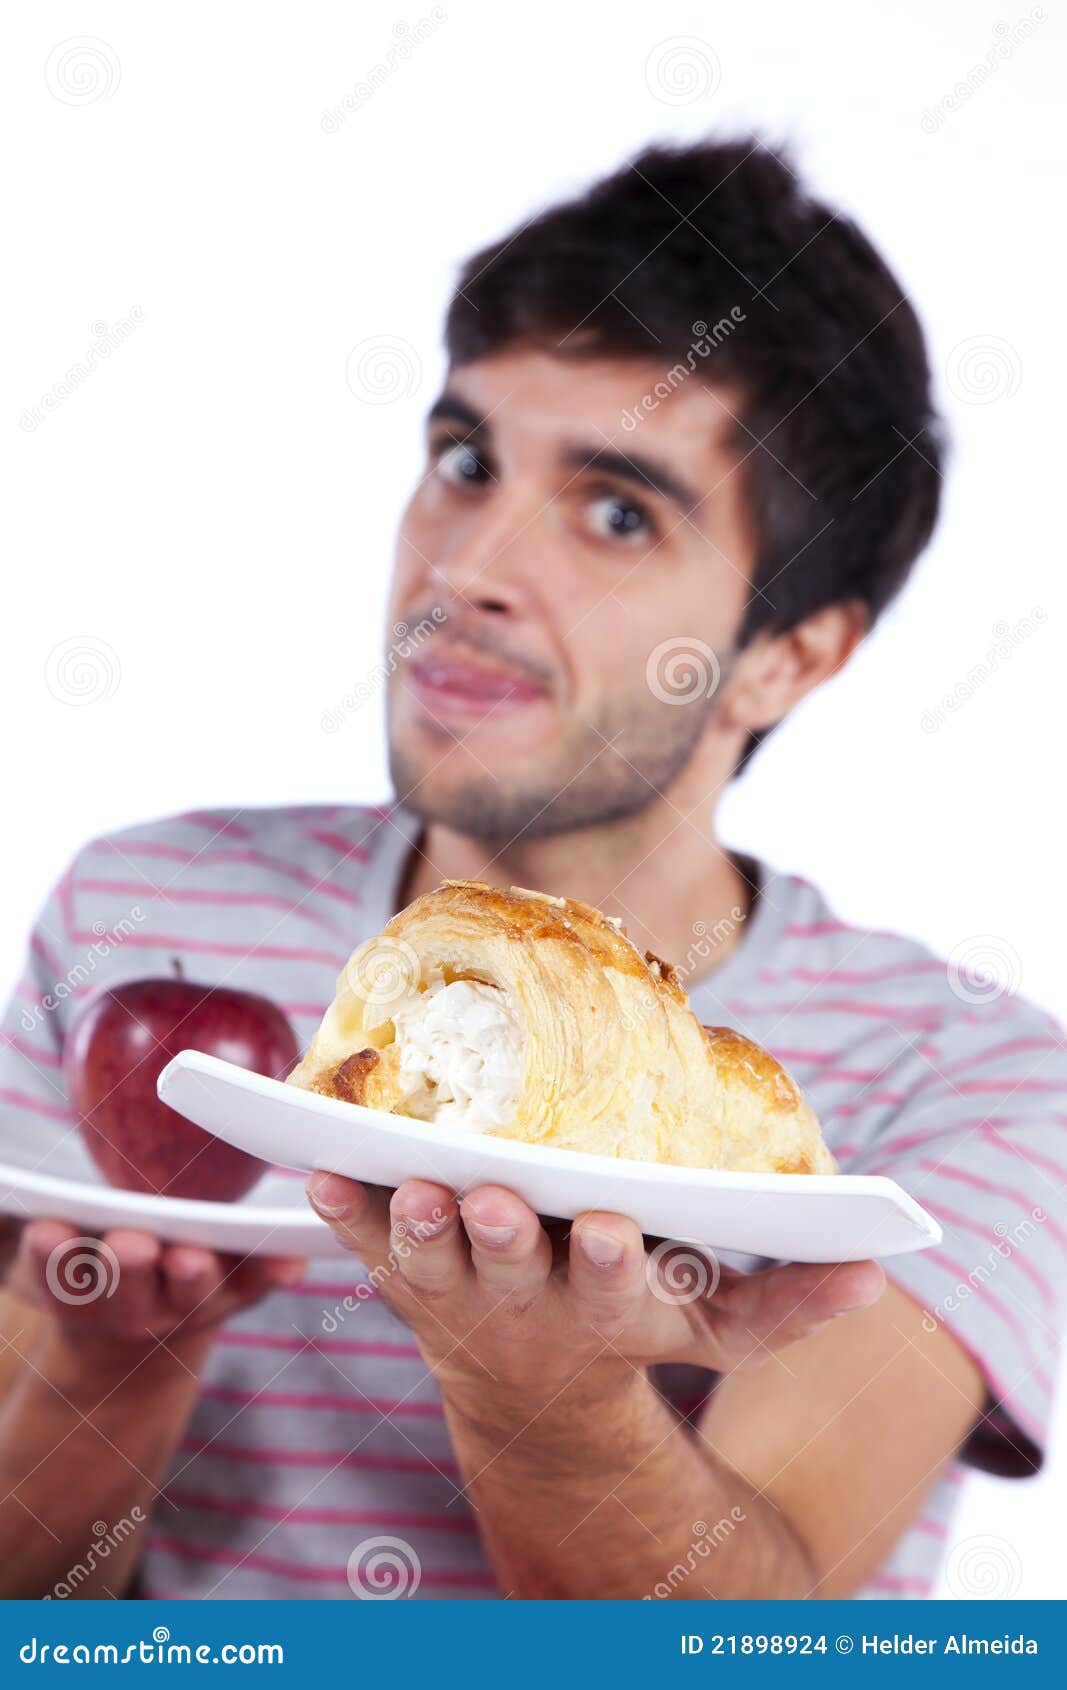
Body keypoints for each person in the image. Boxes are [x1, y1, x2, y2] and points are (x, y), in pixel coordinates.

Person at [0, 138, 1062, 1602]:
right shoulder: (152, 916)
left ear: (788, 653)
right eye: (464, 462)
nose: (469, 566)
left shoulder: (963, 1074)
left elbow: (759, 1632)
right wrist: (110, 1362)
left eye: (619, 510)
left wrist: (539, 1390)